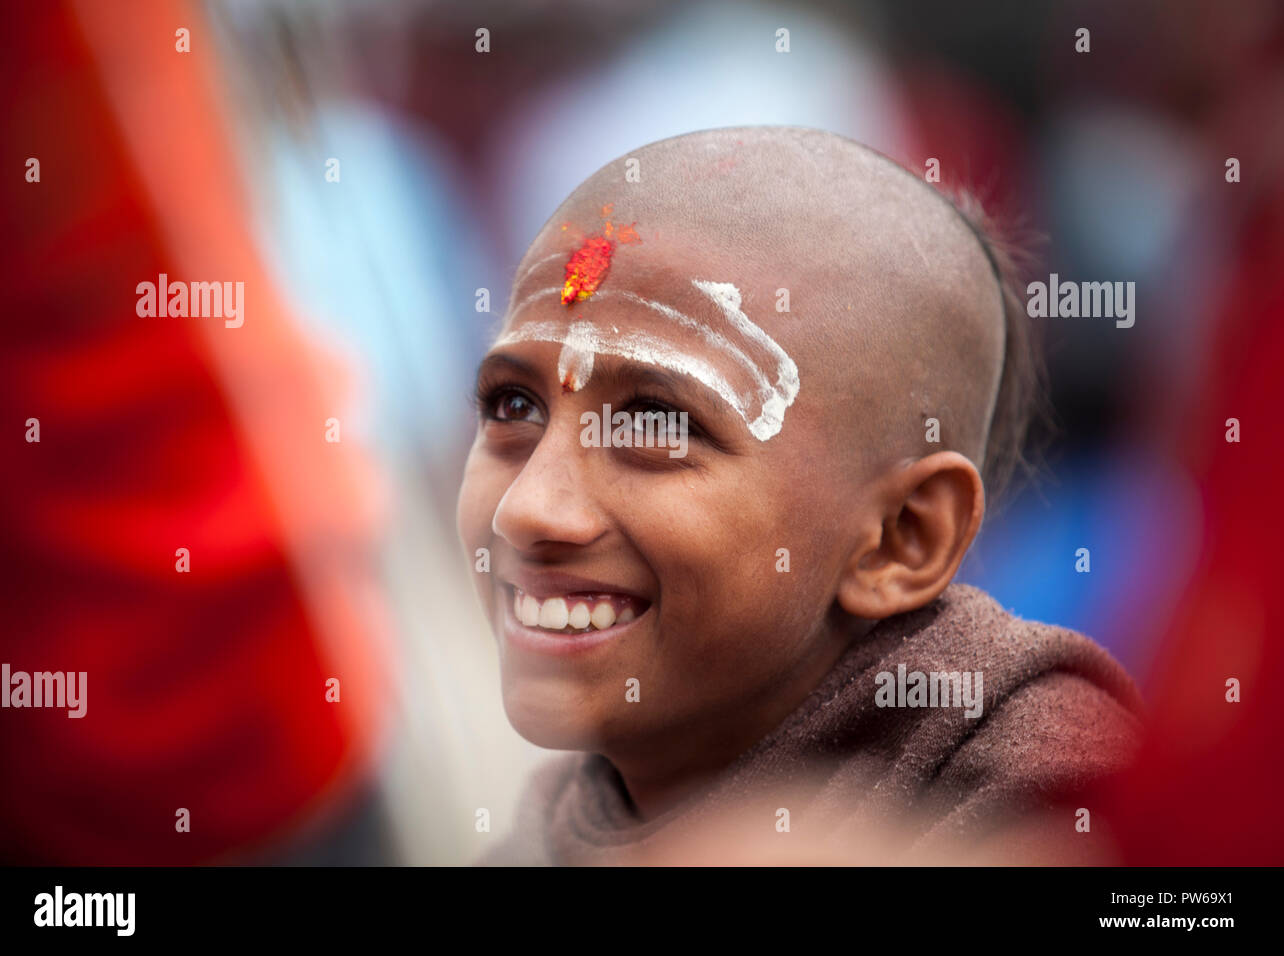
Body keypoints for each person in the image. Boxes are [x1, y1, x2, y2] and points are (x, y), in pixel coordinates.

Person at [457, 126, 1143, 865]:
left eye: (657, 426)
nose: (526, 510)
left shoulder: (1058, 804)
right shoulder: (550, 831)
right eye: (513, 406)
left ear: (902, 537)